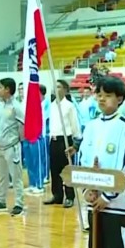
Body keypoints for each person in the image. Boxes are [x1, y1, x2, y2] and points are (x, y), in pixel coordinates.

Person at [73, 75, 125, 248]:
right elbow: (83, 160)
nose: (101, 98)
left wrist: (107, 196)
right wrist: (88, 189)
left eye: (107, 95)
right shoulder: (91, 126)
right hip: (93, 200)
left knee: (115, 247)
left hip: (116, 202)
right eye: (98, 93)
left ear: (119, 99)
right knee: (96, 247)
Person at [0, 78, 25, 216]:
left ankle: (19, 203)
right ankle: (1, 201)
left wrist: (17, 141)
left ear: (8, 90)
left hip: (12, 147)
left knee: (16, 176)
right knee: (1, 177)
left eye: (0, 87)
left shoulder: (16, 106)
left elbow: (22, 126)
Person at [45, 79, 81, 208]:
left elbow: (75, 125)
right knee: (54, 170)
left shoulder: (69, 106)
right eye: (55, 86)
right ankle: (57, 195)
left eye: (59, 87)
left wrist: (76, 144)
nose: (56, 89)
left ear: (65, 90)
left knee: (67, 169)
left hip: (65, 140)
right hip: (53, 140)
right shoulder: (52, 104)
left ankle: (70, 196)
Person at [23, 85, 48, 194]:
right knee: (30, 162)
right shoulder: (30, 104)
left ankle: (39, 185)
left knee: (38, 161)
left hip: (38, 136)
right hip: (28, 135)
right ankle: (32, 183)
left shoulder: (45, 104)